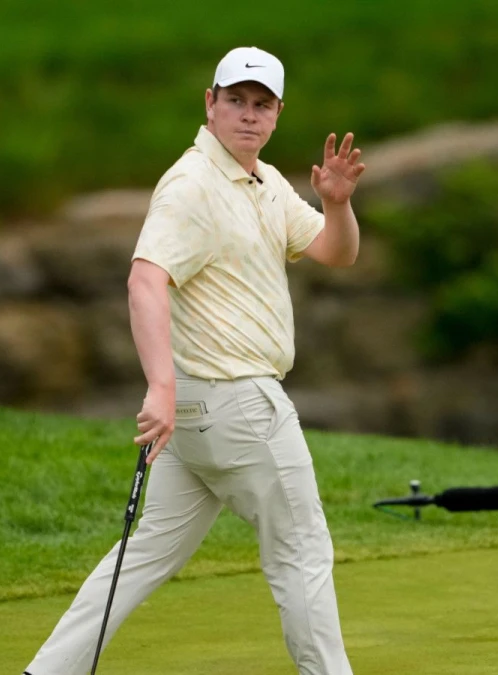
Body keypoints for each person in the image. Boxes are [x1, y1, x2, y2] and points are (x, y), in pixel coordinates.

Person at [23, 46, 365, 675]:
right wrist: (159, 386)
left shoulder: (264, 181)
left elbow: (336, 254)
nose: (248, 114)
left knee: (145, 553)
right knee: (301, 550)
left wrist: (338, 204)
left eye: (261, 104)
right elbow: (144, 280)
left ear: (278, 114)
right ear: (210, 104)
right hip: (240, 405)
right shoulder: (192, 186)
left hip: (199, 416)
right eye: (235, 100)